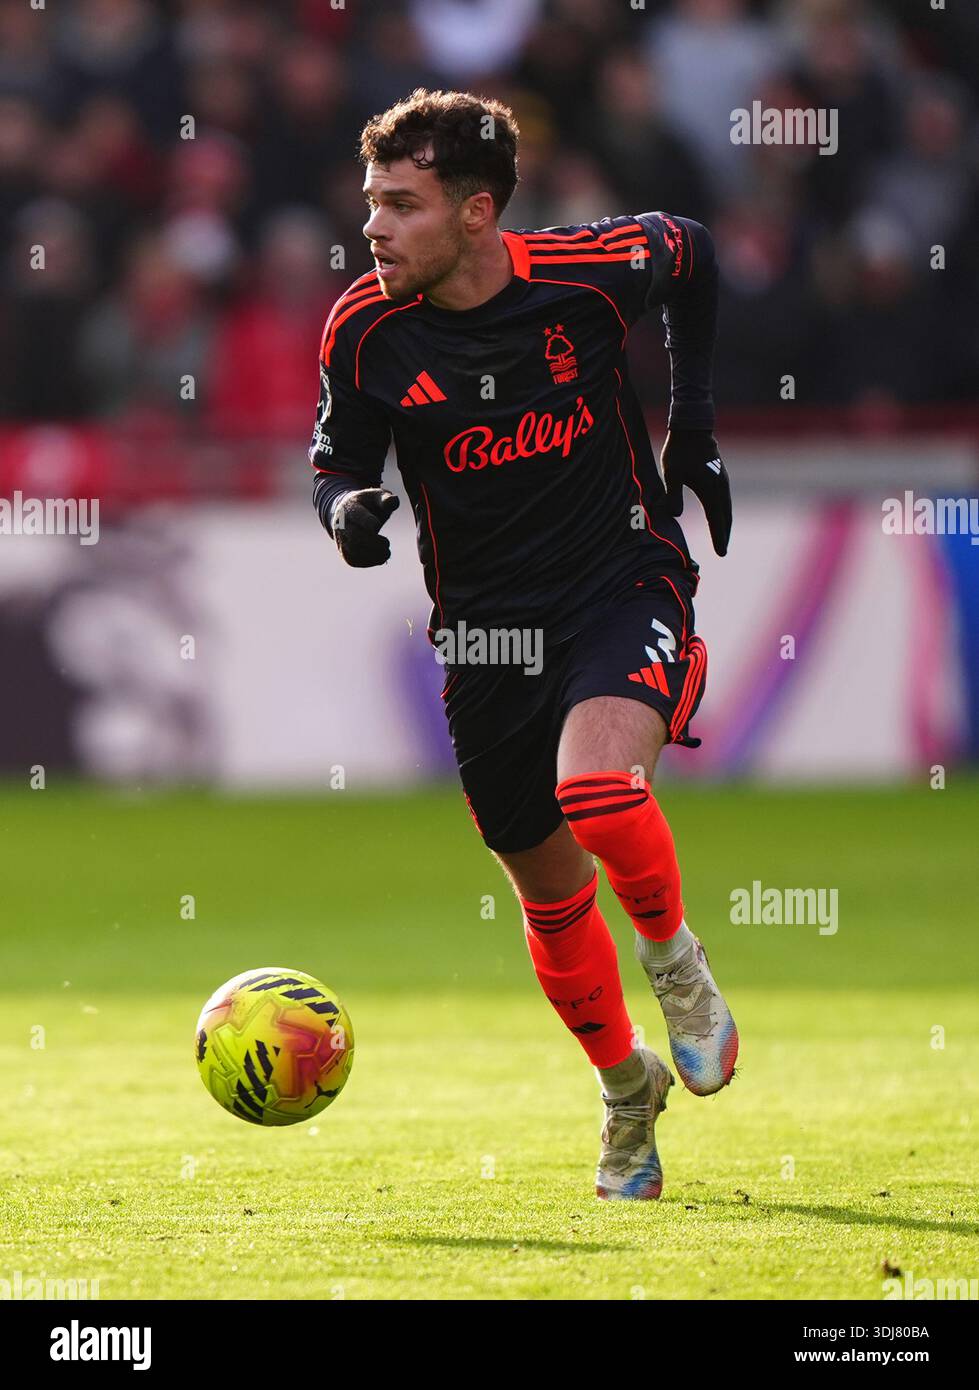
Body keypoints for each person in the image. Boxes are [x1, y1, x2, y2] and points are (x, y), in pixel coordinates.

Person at [308, 88, 738, 1200]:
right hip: (485, 637)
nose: (375, 226)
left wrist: (692, 428)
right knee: (548, 897)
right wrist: (348, 510)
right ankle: (622, 1088)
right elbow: (337, 458)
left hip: (617, 579)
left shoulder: (585, 277)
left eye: (400, 204)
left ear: (476, 211)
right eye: (371, 202)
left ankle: (677, 967)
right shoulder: (365, 328)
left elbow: (690, 251)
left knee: (598, 793)